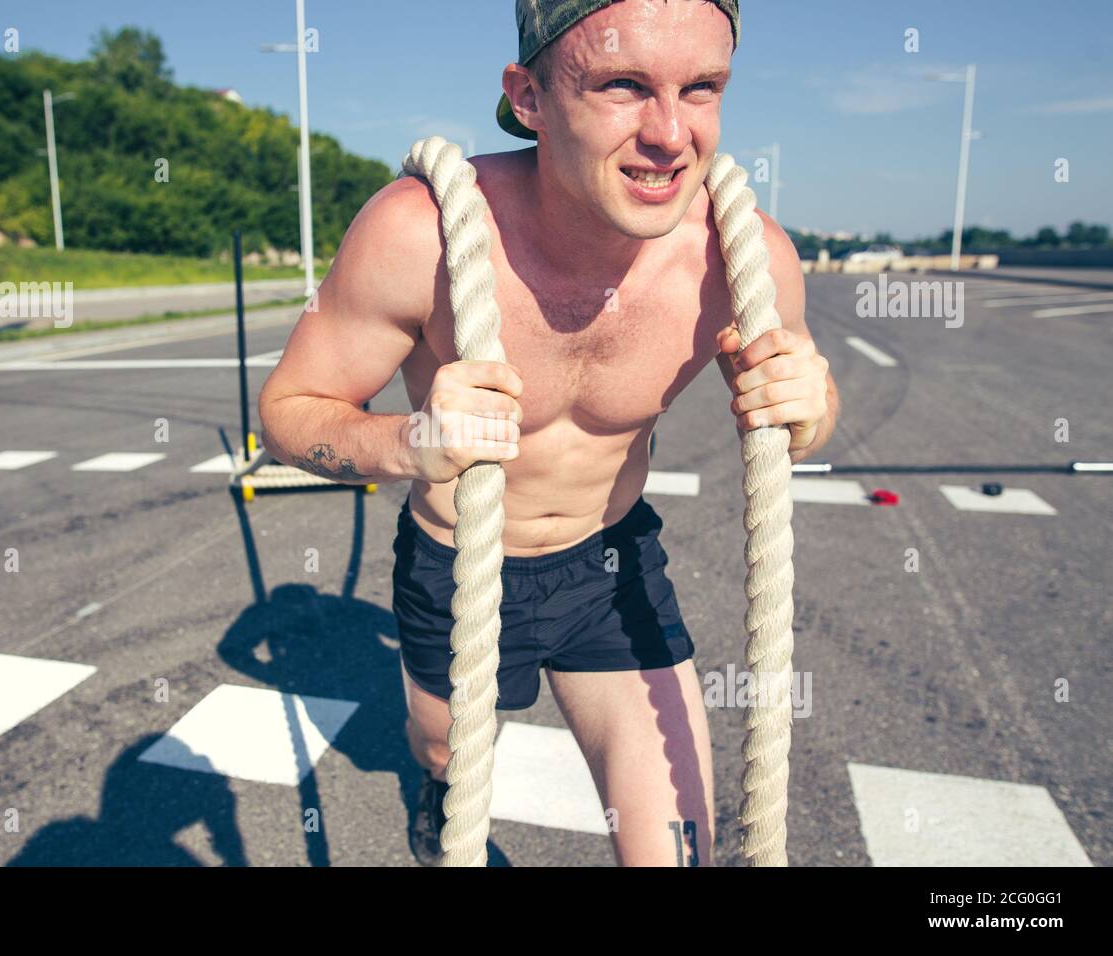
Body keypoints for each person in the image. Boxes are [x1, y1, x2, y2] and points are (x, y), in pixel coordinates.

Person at [259, 0, 838, 866]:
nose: (670, 134)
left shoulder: (741, 258)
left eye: (702, 89)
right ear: (528, 97)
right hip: (459, 563)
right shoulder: (423, 234)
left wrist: (811, 404)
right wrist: (408, 443)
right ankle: (441, 787)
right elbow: (287, 413)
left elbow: (803, 424)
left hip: (611, 566)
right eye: (623, 86)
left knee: (678, 850)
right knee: (446, 758)